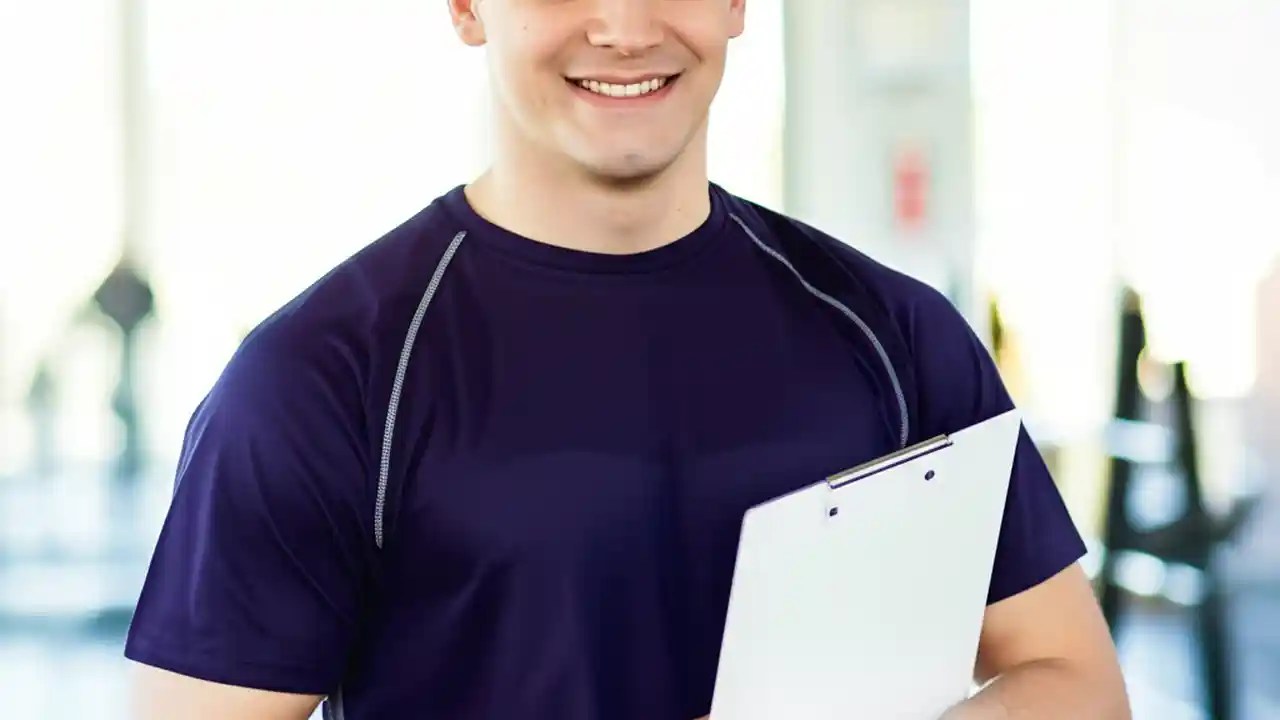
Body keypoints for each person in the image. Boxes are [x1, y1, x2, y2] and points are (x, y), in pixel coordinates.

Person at [125, 1, 1131, 718]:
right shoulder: (322, 380)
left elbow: (1072, 679)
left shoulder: (895, 335)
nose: (623, 24)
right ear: (466, 7)